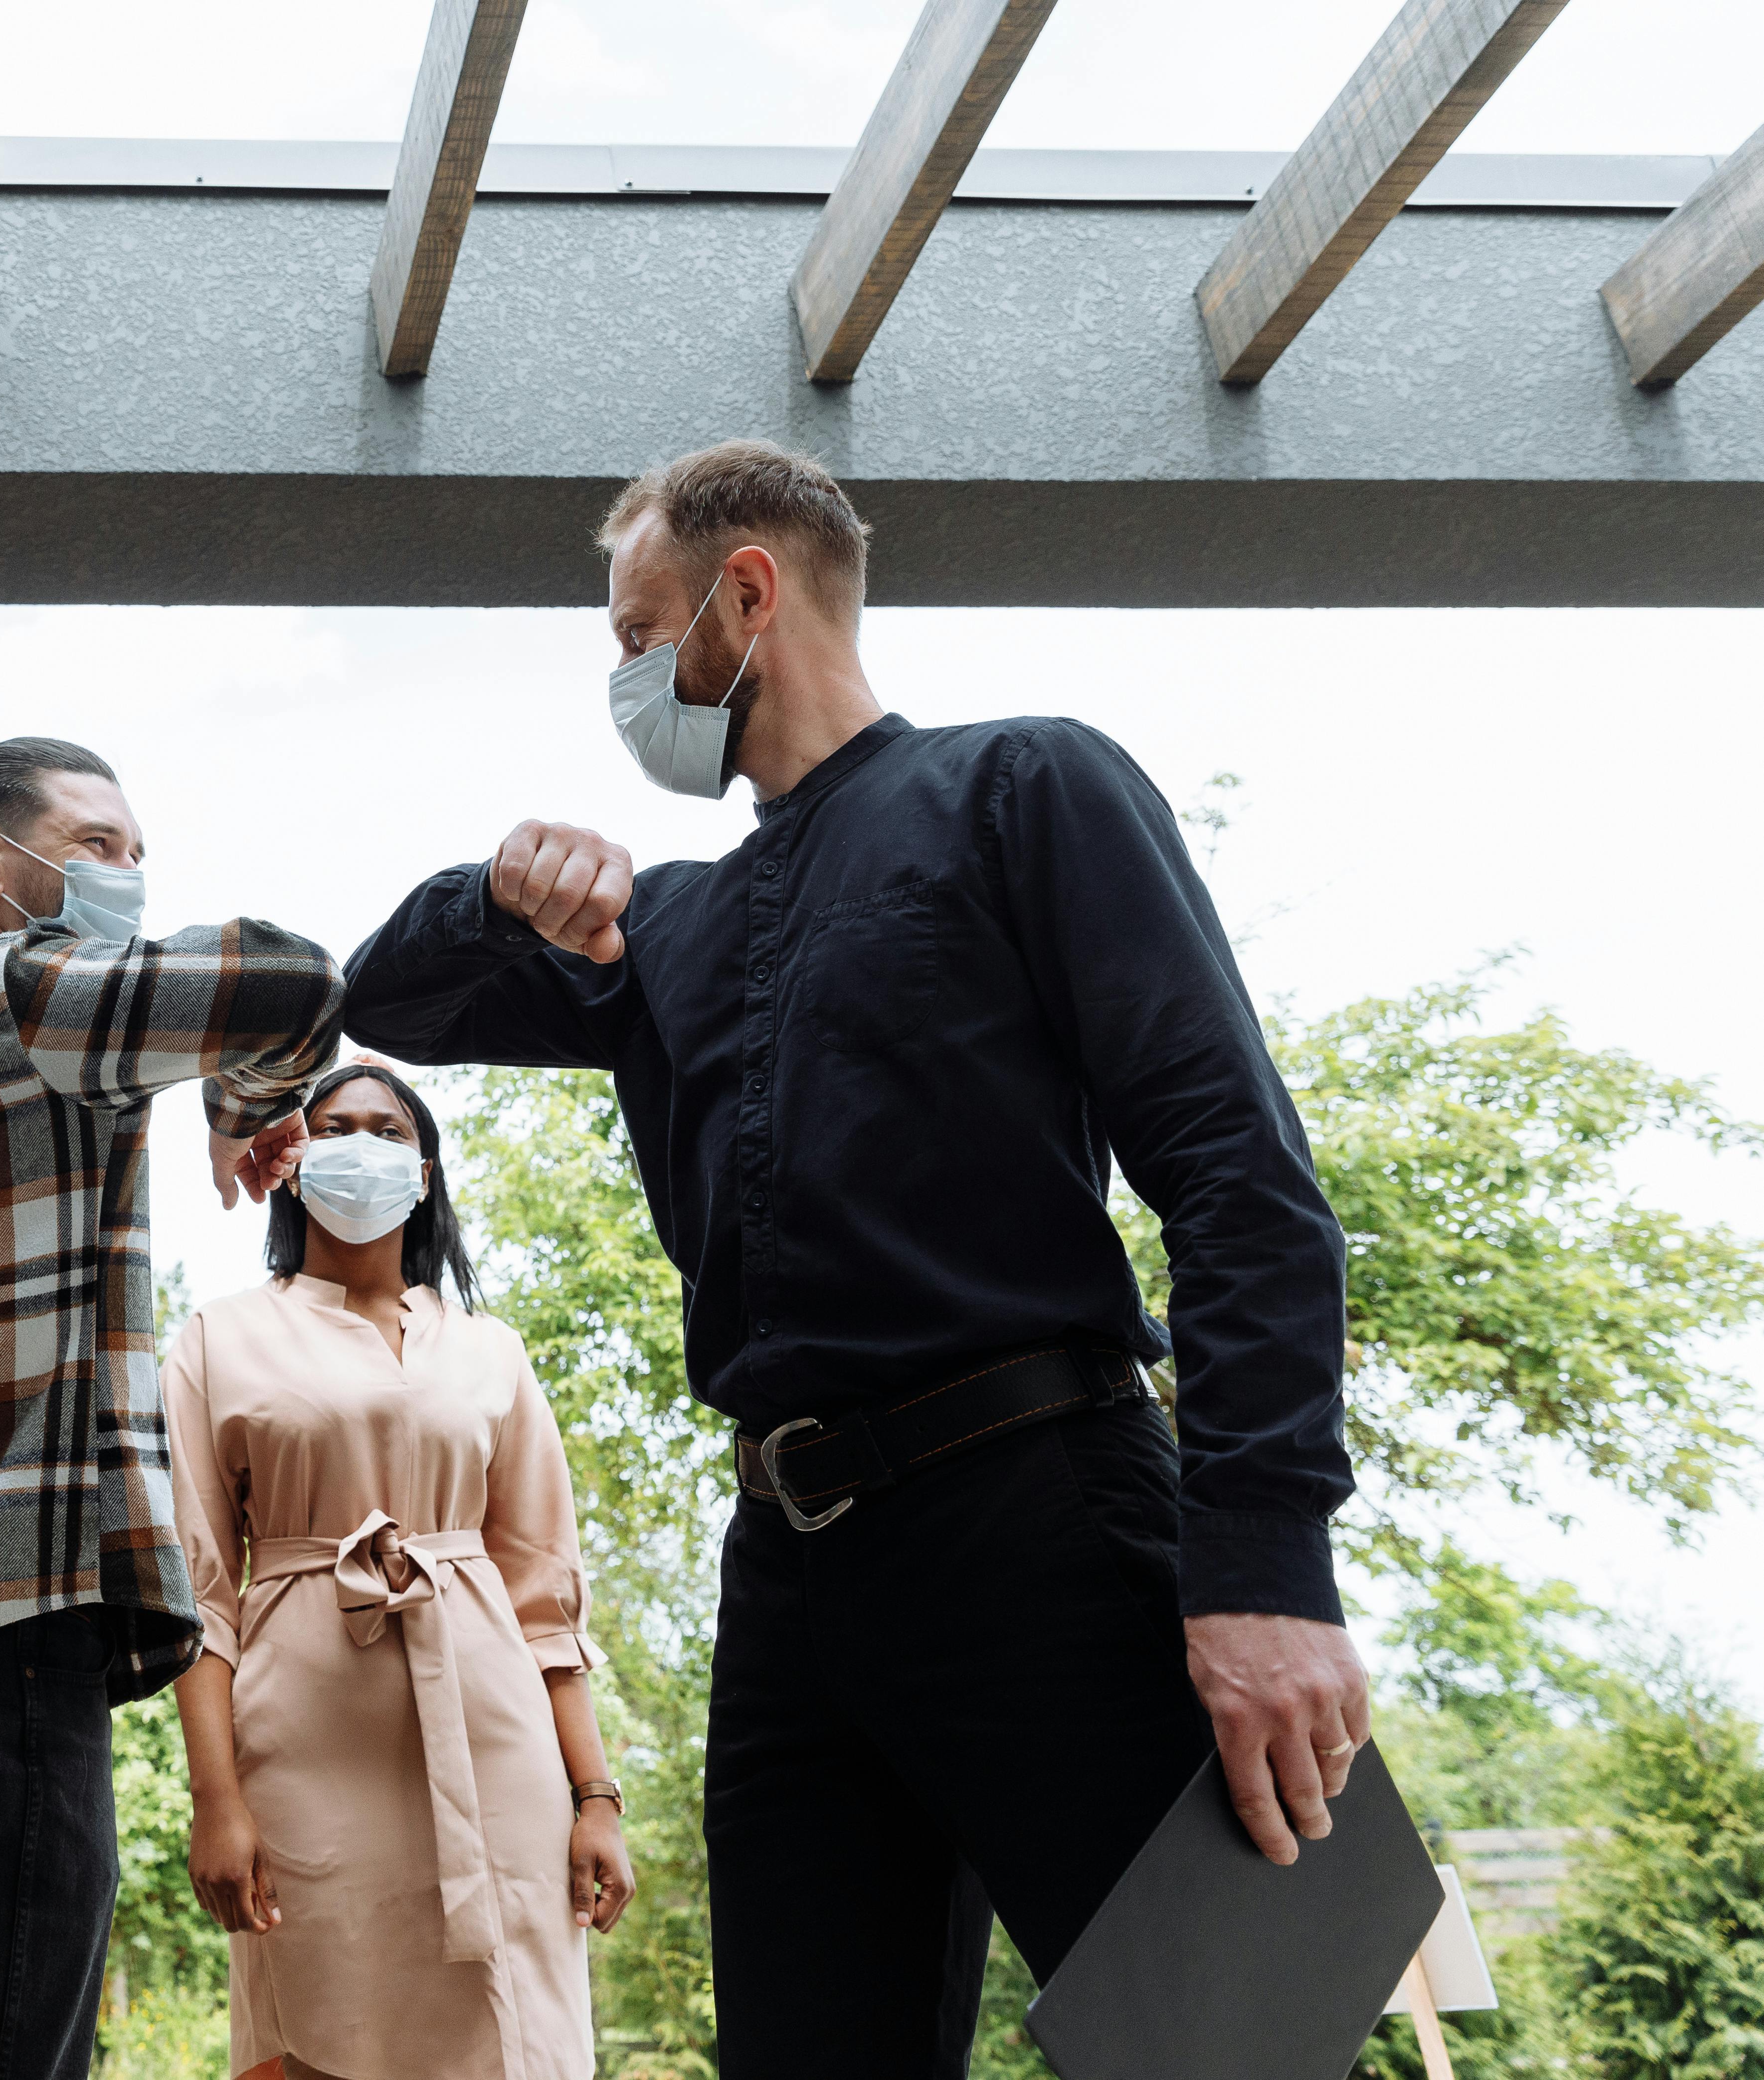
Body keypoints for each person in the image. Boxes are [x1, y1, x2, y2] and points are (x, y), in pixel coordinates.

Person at [341, 441, 1369, 2078]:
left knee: (1224, 2043)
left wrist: (1260, 1563)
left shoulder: (1025, 785)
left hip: (1042, 1515)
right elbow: (389, 997)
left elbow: (1236, 1176)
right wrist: (502, 886)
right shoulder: (659, 926)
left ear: (746, 593)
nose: (620, 678)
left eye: (635, 632)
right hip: (790, 1581)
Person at [0, 738, 346, 2080]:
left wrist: (219, 1089)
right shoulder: (15, 990)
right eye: (97, 847)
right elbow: (297, 982)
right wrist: (240, 1095)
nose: (129, 880)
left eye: (142, 856)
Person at [166, 1059, 632, 2080]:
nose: (360, 1147)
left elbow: (544, 1605)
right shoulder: (219, 1338)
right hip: (302, 1757)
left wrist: (593, 1796)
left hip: (497, 1750)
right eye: (333, 1126)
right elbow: (194, 1597)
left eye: (385, 1131)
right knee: (320, 2030)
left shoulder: (490, 1351)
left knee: (511, 2035)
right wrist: (217, 1798)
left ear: (422, 1173)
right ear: (288, 1160)